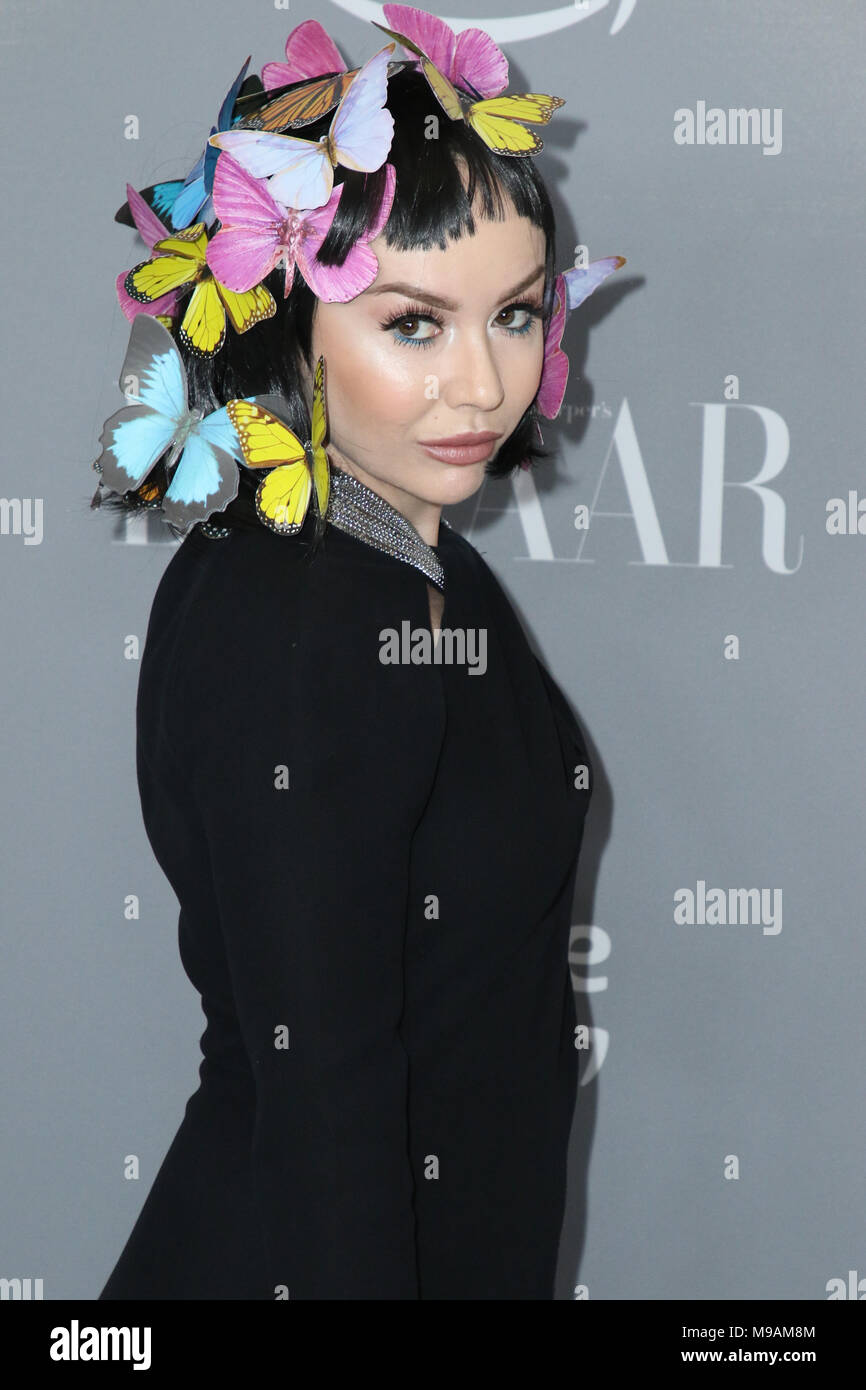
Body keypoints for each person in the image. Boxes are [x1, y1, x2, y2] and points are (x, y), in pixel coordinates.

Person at [93, 7, 621, 1300]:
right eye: (411, 325)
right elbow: (321, 1083)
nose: (485, 387)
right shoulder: (307, 617)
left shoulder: (407, 561)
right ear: (291, 320)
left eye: (510, 315)